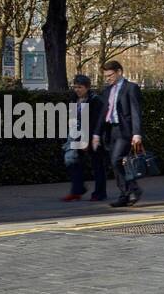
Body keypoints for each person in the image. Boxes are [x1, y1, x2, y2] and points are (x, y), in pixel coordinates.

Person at [93, 60, 145, 208]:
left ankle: (131, 190)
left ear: (119, 72)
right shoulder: (107, 91)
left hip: (124, 131)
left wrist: (137, 133)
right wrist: (97, 134)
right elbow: (103, 114)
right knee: (115, 163)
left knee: (116, 160)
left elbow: (136, 111)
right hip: (111, 131)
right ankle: (127, 193)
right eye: (106, 76)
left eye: (110, 75)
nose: (108, 78)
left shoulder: (131, 88)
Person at [62, 74, 106, 201]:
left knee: (97, 164)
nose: (77, 90)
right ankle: (77, 189)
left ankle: (100, 192)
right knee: (71, 160)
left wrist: (87, 140)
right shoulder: (73, 99)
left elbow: (95, 122)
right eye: (75, 87)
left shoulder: (95, 100)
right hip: (77, 134)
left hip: (93, 135)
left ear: (87, 87)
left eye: (80, 87)